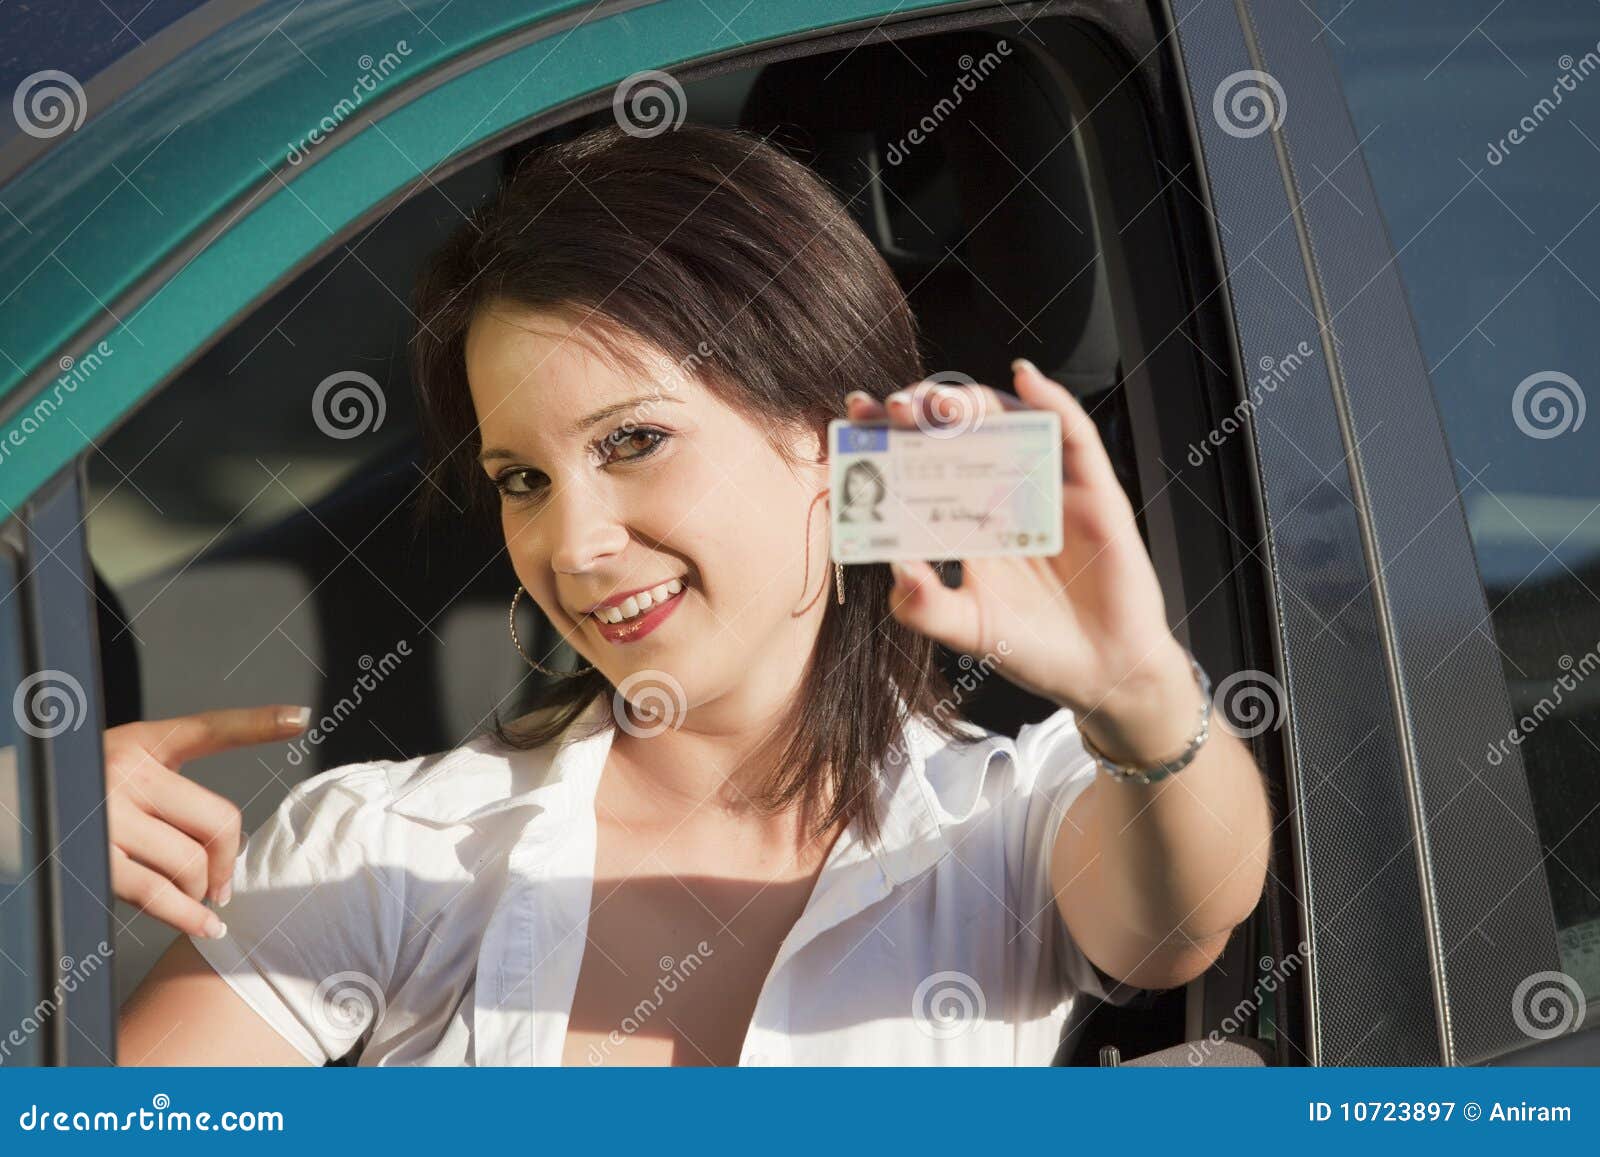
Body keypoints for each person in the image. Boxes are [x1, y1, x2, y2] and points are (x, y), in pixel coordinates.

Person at [114, 122, 1271, 1067]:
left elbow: (1184, 915)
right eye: (521, 479)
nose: (571, 544)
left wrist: (1138, 693)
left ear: (832, 438)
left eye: (633, 441)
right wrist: (46, 855)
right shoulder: (388, 849)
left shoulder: (1001, 829)